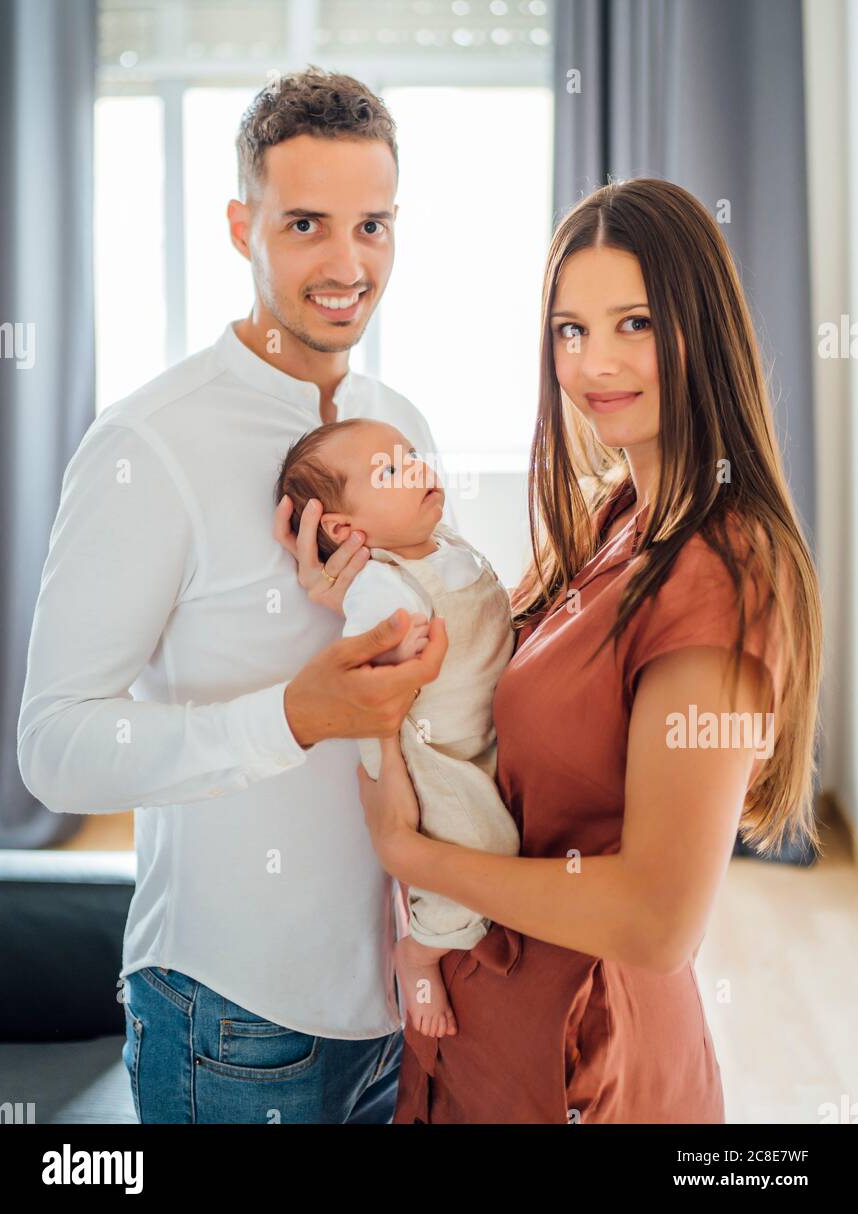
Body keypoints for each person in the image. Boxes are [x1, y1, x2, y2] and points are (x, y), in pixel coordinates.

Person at [17, 67, 453, 1124]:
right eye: (305, 223)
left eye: (373, 224)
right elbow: (56, 746)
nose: (347, 264)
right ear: (238, 224)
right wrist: (292, 715)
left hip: (396, 999)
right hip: (231, 1018)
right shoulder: (148, 445)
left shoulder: (399, 424)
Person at [345, 177, 823, 1123]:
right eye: (570, 330)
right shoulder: (619, 515)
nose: (595, 361)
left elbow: (657, 922)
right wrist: (371, 582)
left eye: (634, 323)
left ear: (702, 329)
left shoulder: (719, 575)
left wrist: (412, 855)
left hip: (587, 1058)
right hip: (497, 1029)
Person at [275, 415, 520, 1038]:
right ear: (344, 529)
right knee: (477, 846)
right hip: (432, 752)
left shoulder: (448, 547)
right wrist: (393, 643)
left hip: (478, 735)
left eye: (411, 456)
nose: (416, 469)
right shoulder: (381, 585)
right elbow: (366, 659)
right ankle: (424, 949)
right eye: (391, 471)